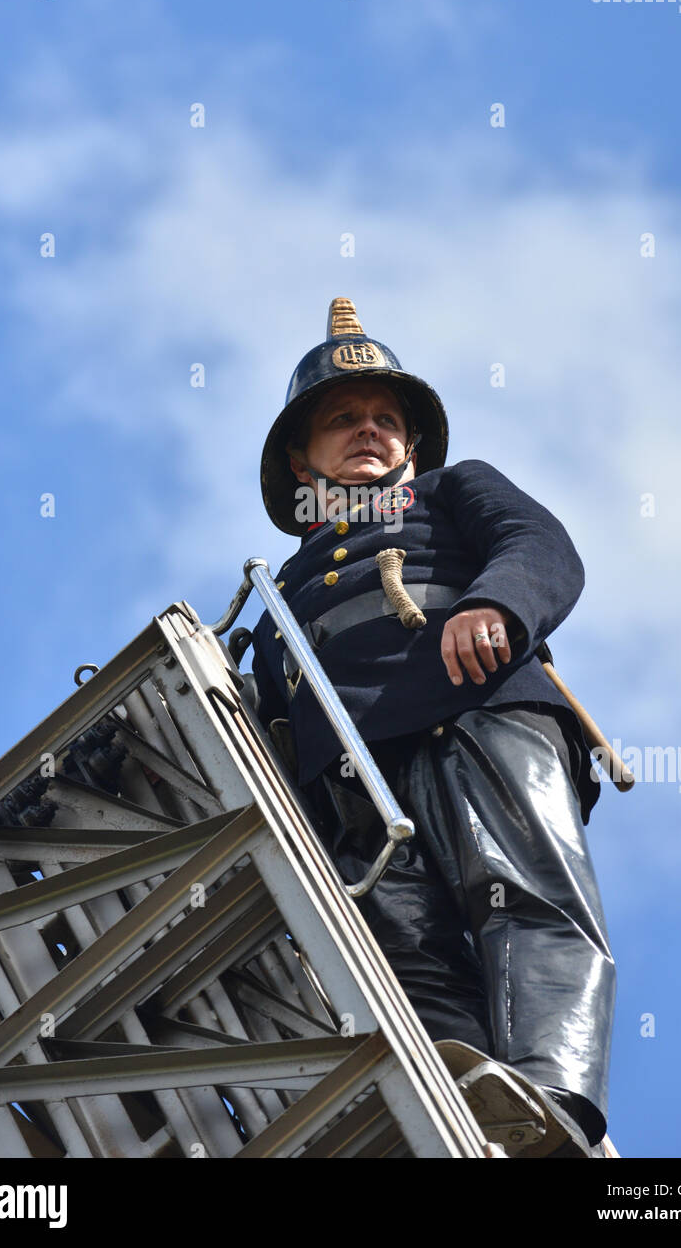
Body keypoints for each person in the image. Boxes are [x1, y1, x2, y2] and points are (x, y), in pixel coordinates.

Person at [251, 297, 616, 1157]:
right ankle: (456, 1106)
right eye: (344, 418)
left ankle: (547, 1099)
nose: (370, 430)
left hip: (477, 714)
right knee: (402, 953)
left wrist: (494, 605)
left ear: (412, 445)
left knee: (522, 898)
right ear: (302, 458)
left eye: (387, 418)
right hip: (356, 785)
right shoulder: (275, 595)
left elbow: (541, 547)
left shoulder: (456, 490)